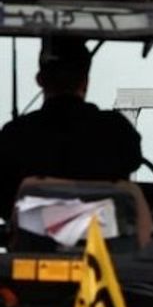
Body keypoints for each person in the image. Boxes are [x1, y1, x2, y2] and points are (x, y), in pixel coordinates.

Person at [0, 36, 143, 217]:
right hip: (105, 239)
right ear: (85, 81)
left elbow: (5, 201)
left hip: (34, 242)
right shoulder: (117, 129)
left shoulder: (14, 134)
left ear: (40, 80)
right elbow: (132, 163)